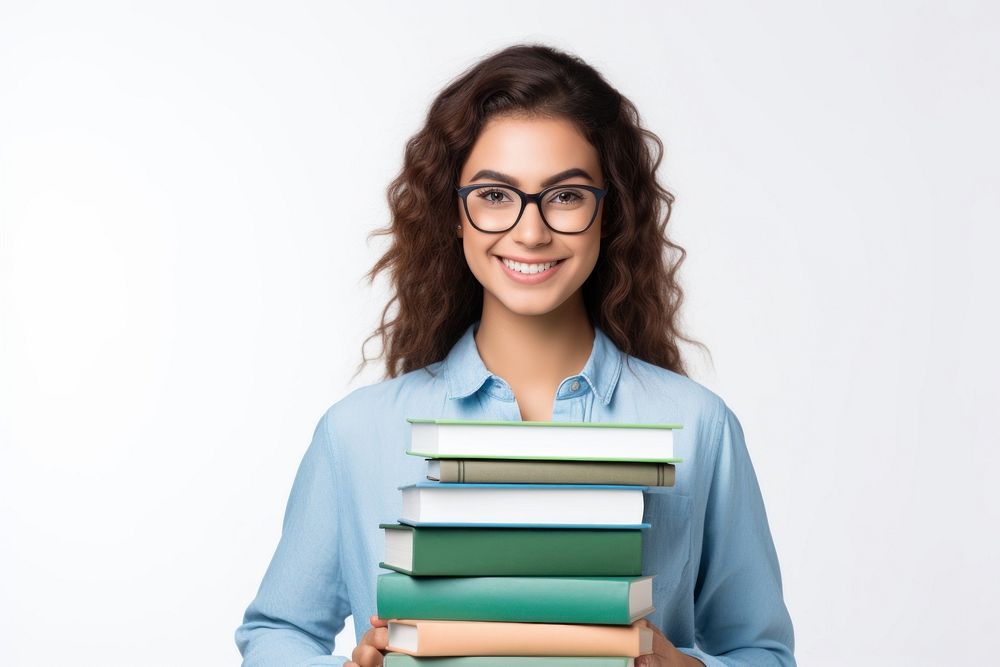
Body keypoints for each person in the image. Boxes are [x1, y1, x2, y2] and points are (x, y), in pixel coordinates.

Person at [235, 43, 795, 667]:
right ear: (455, 213)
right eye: (496, 195)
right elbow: (277, 632)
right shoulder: (357, 433)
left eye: (566, 195)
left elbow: (762, 651)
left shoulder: (698, 426)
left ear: (609, 214)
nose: (531, 232)